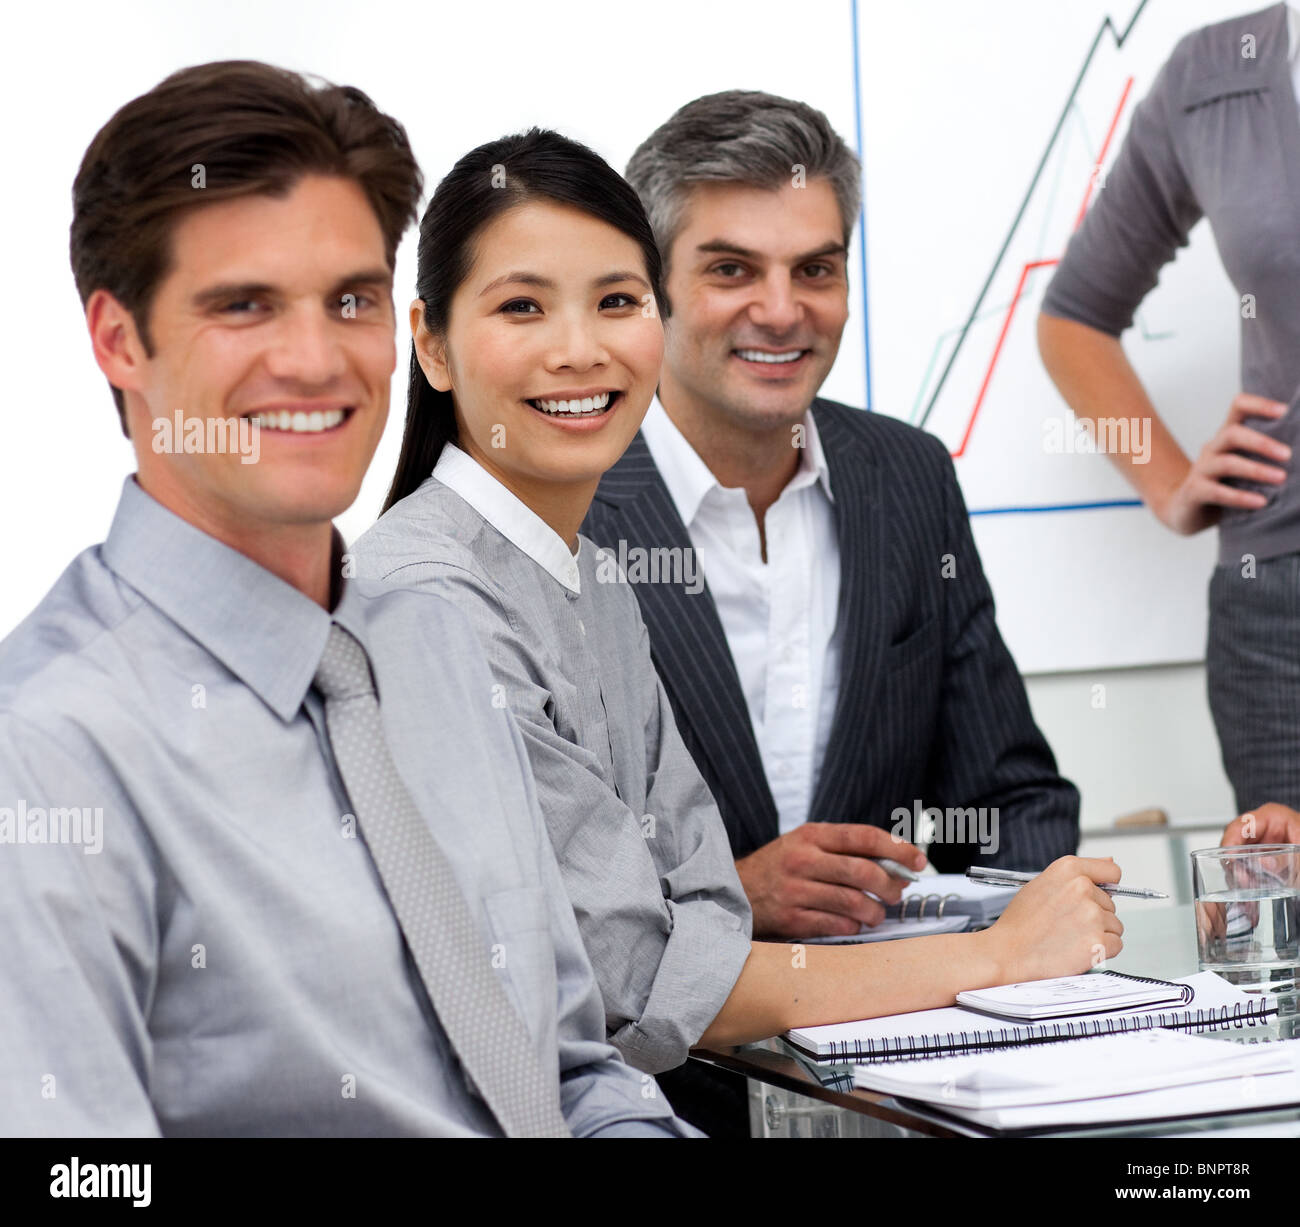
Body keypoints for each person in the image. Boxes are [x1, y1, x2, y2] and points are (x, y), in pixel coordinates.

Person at [351, 127, 1125, 1137]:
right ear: (433, 343)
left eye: (615, 302)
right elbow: (640, 977)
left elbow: (699, 910)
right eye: (522, 306)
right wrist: (992, 958)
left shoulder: (584, 573)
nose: (579, 347)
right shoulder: (428, 601)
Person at [0, 60, 692, 1138]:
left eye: (351, 300)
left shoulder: (432, 647)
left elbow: (571, 1073)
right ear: (118, 340)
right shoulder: (46, 747)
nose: (317, 361)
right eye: (245, 306)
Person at [579, 89, 1079, 946]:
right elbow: (518, 865)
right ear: (650, 286)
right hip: (659, 1066)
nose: (782, 311)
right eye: (731, 269)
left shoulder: (909, 476)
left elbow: (1008, 803)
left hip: (892, 1047)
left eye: (815, 269)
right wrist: (723, 893)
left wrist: (1024, 949)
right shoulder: (568, 501)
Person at [1039, 3, 1300, 816]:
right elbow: (1074, 315)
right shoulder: (1215, 74)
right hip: (1280, 609)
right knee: (1280, 925)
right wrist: (1172, 484)